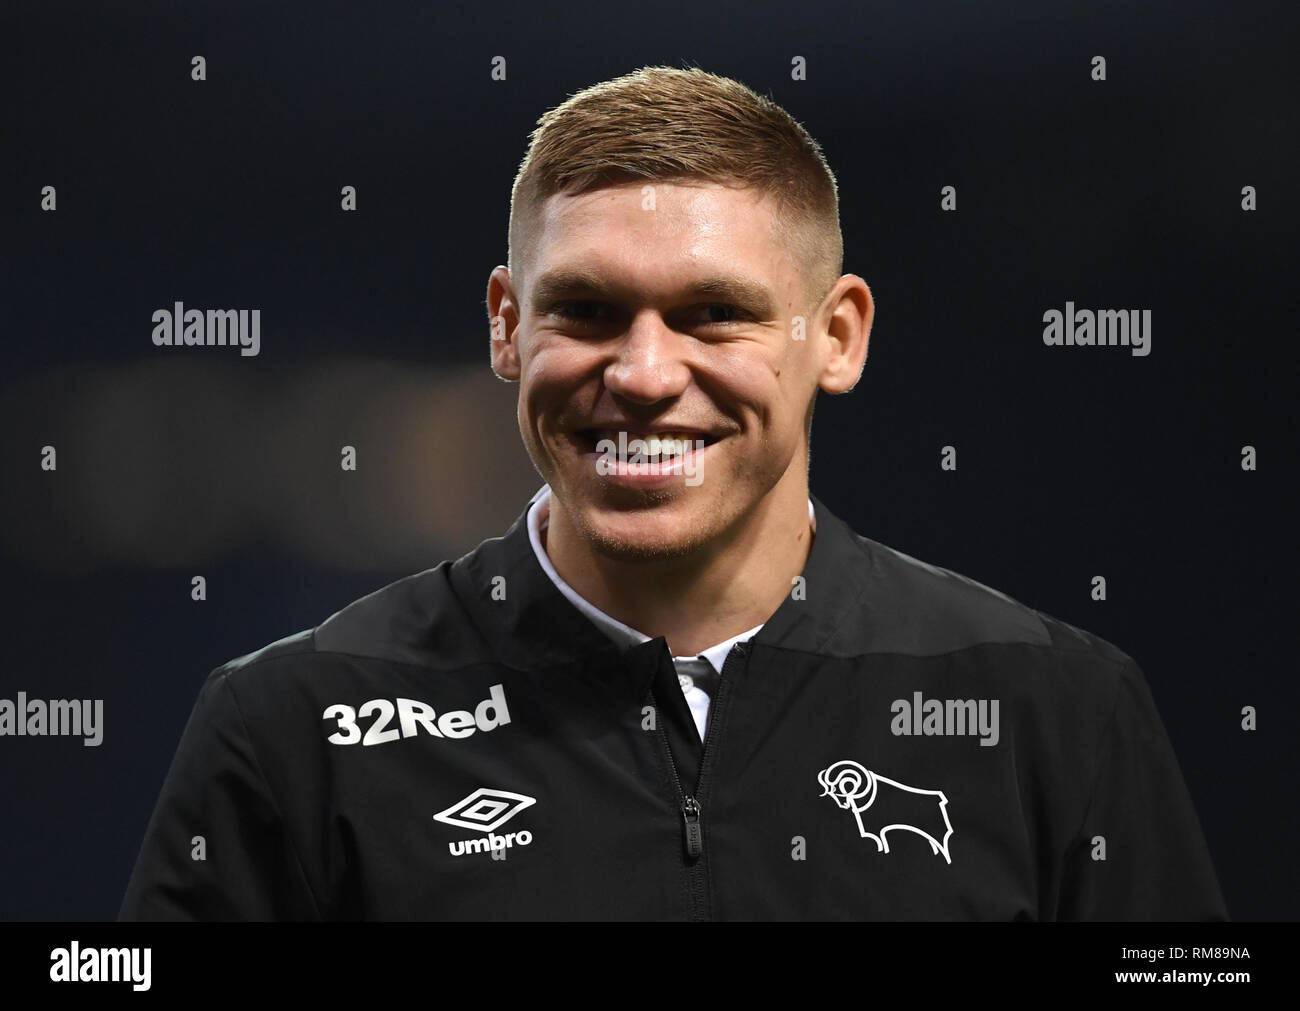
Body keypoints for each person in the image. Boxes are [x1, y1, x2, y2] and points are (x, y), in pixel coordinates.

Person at [119, 65, 1227, 921]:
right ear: (508, 327)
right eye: (588, 312)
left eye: (713, 314)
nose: (643, 376)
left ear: (835, 336)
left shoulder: (1056, 713)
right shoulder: (289, 728)